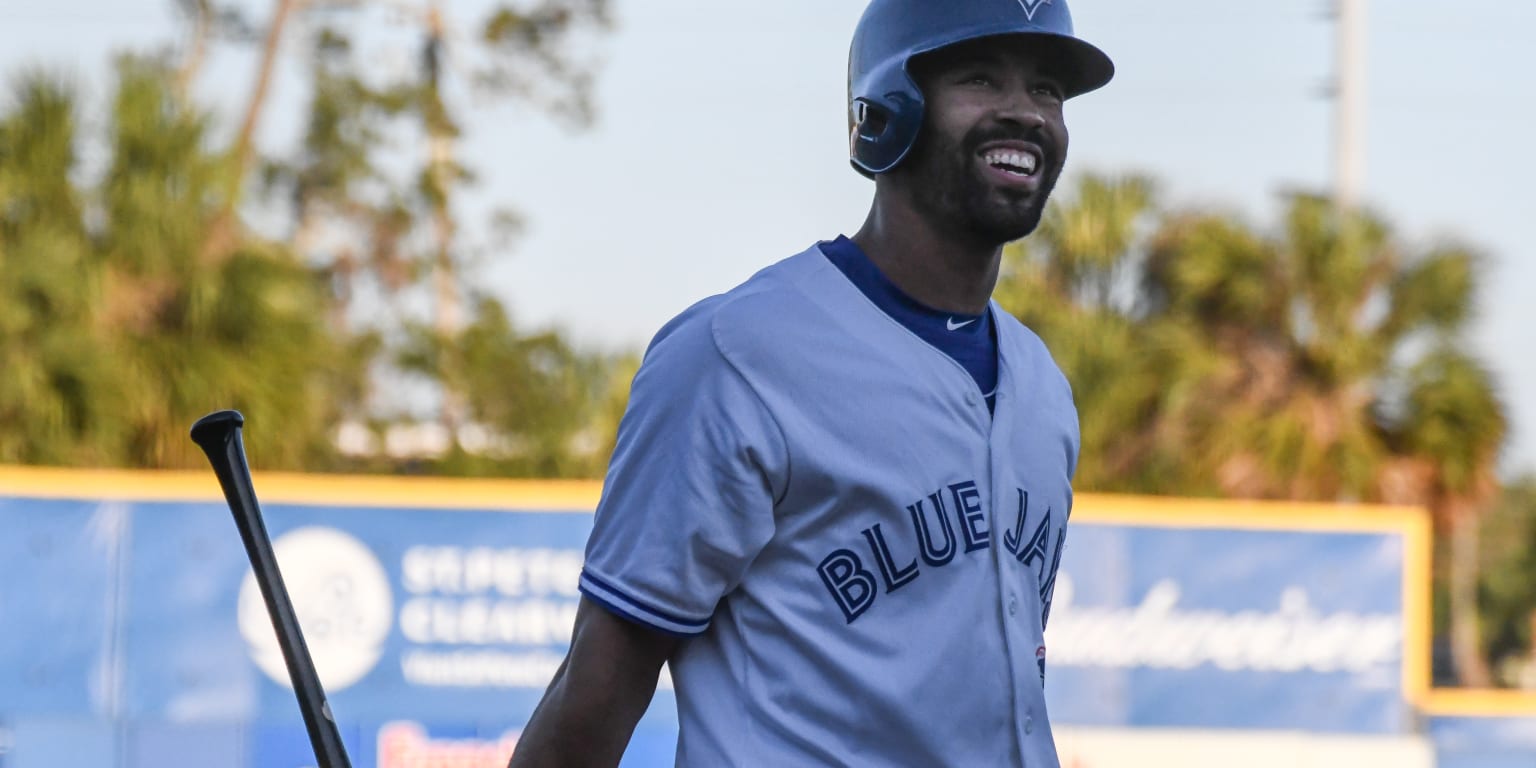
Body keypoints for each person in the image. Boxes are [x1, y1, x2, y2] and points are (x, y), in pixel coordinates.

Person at [509, 0, 1113, 765]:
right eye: (980, 77)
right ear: (889, 110)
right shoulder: (738, 353)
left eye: (1048, 90)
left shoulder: (1043, 389)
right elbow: (599, 686)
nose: (1024, 113)